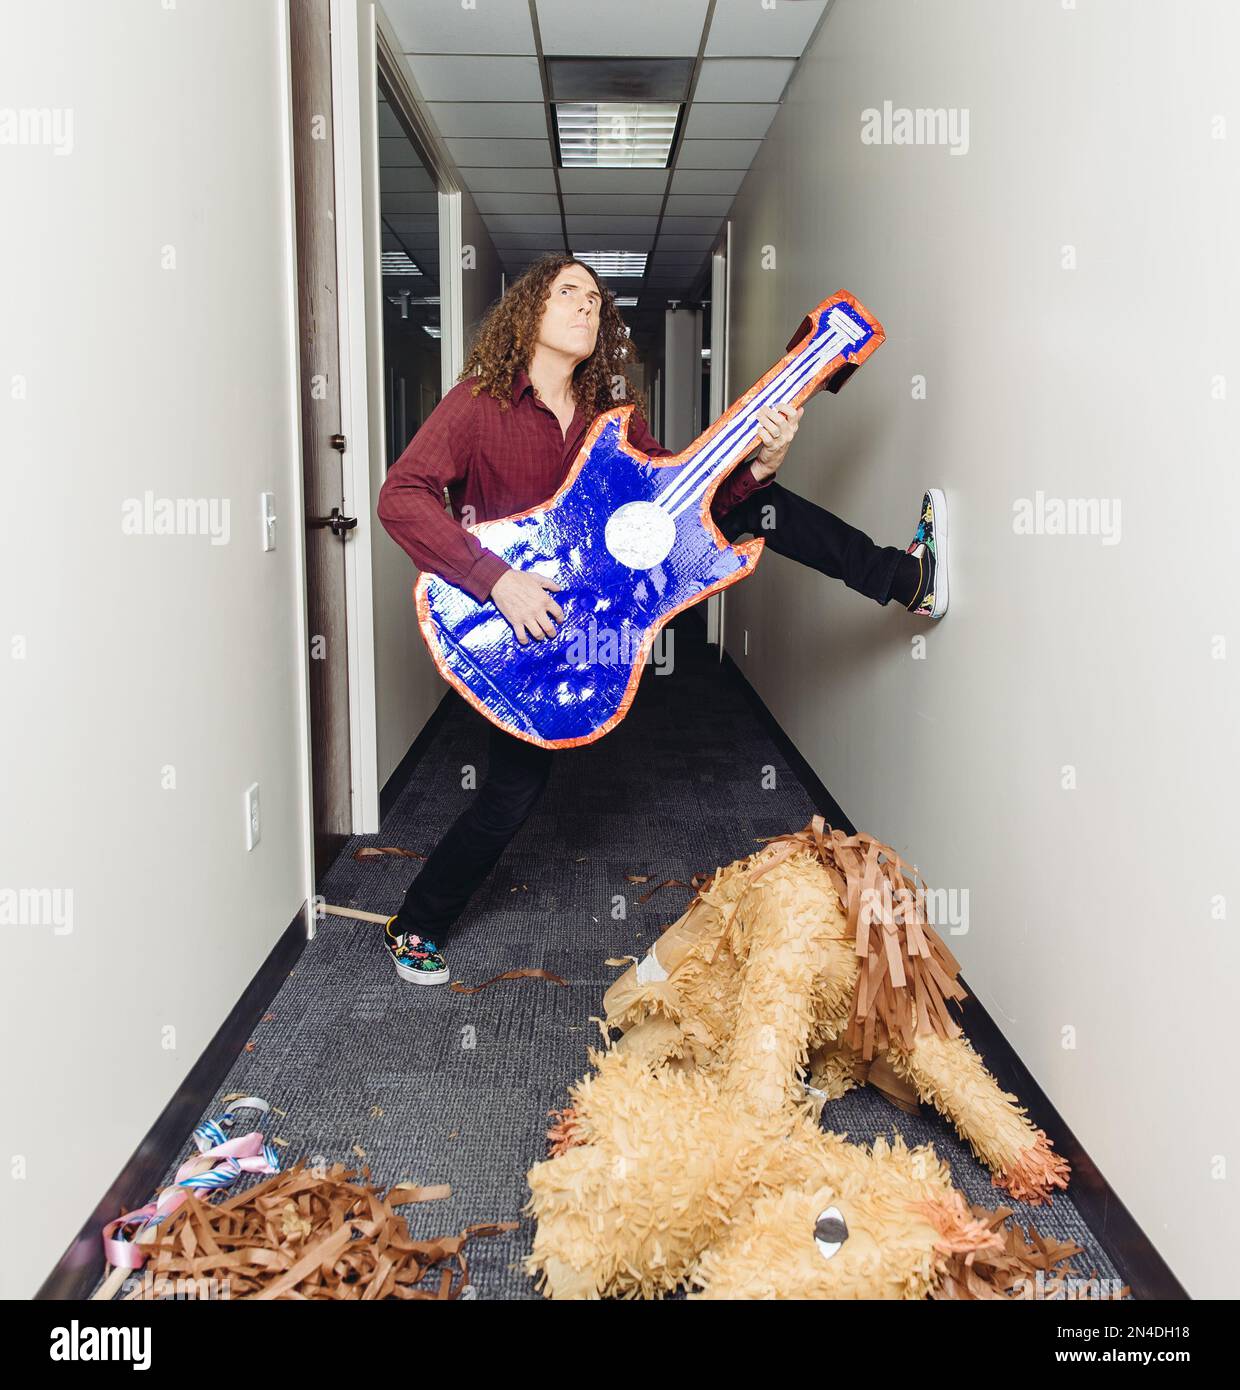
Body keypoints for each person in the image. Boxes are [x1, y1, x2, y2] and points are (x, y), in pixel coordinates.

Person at [376, 254, 949, 985]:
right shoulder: (477, 403)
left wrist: (763, 464)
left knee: (758, 505)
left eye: (595, 298)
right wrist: (498, 582)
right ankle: (416, 923)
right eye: (568, 293)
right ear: (528, 313)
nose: (587, 306)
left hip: (616, 613)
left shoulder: (612, 420)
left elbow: (680, 508)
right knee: (511, 792)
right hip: (524, 631)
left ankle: (908, 578)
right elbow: (402, 497)